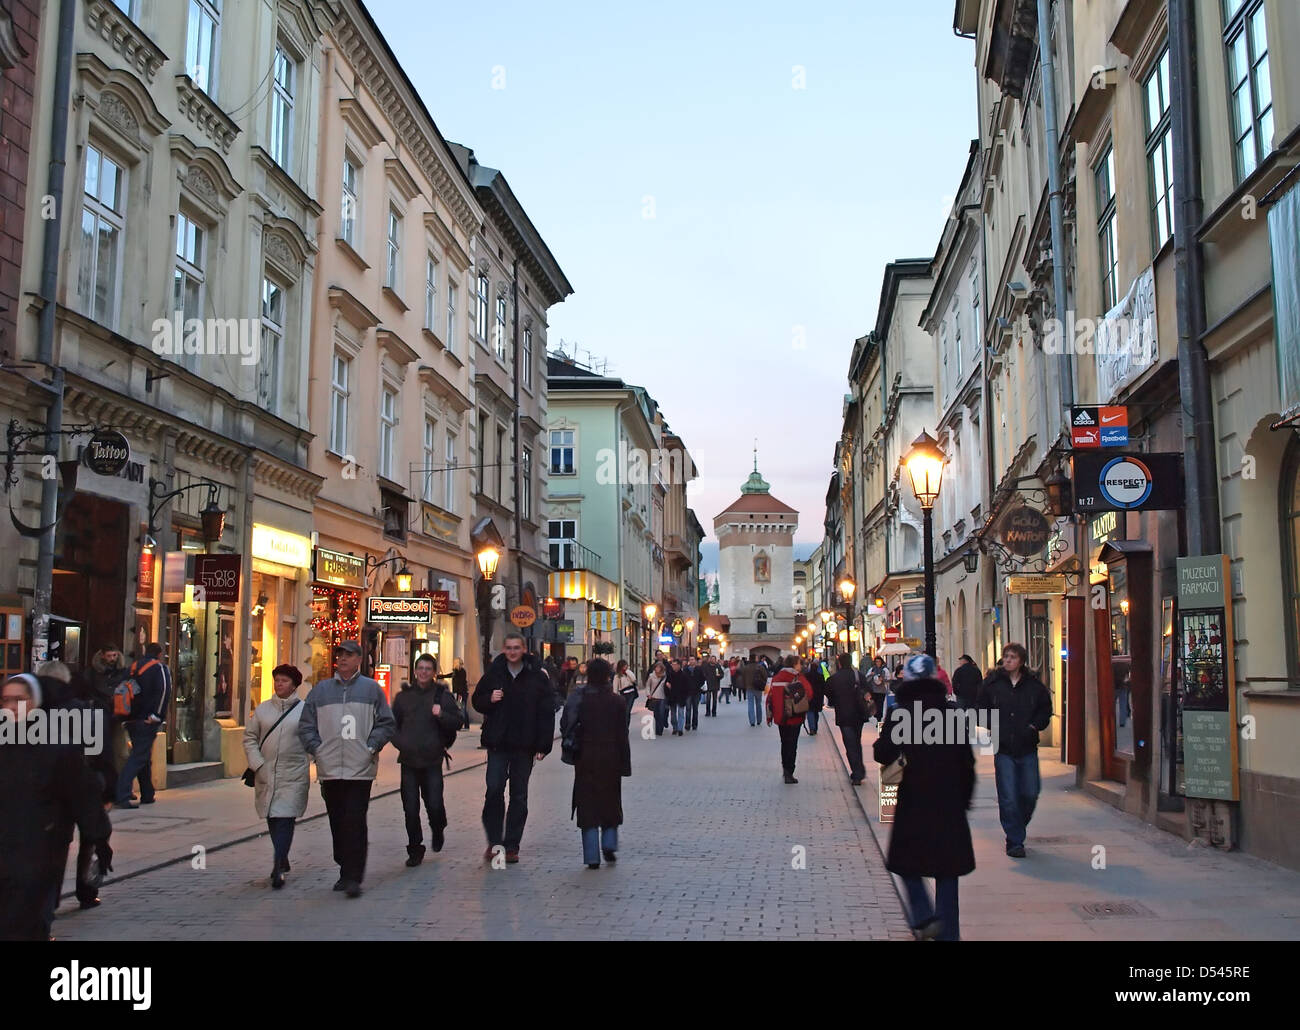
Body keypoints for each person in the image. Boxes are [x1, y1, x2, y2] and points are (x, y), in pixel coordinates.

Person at [0, 673, 112, 941]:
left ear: (35, 702)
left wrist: (99, 838)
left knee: (25, 925)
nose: (12, 706)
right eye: (5, 700)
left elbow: (83, 797)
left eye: (20, 699)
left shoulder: (56, 748)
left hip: (37, 854)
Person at [873, 653, 975, 941]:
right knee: (947, 870)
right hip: (948, 801)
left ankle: (923, 915)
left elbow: (882, 753)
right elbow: (965, 762)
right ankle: (948, 934)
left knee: (905, 863)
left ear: (909, 678)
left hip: (914, 801)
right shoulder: (952, 713)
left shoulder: (900, 712)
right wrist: (964, 799)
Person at [297, 640, 395, 897]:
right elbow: (306, 724)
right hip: (330, 769)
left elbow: (386, 723)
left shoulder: (371, 690)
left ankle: (354, 877)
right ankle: (344, 865)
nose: (342, 659)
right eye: (340, 654)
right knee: (337, 822)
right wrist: (317, 749)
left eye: (349, 655)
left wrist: (371, 747)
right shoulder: (321, 691)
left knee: (355, 820)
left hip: (359, 768)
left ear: (358, 660)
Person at [472, 631, 557, 864]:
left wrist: (543, 745)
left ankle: (511, 845)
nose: (512, 652)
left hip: (524, 745)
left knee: (519, 795)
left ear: (524, 650)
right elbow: (477, 701)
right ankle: (494, 841)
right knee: (494, 790)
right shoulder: (494, 673)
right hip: (498, 743)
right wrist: (490, 698)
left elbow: (546, 712)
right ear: (503, 650)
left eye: (516, 648)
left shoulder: (537, 677)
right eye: (508, 648)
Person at [976, 642, 1052, 859]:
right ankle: (1015, 840)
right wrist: (993, 723)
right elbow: (980, 707)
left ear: (1021, 661)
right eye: (1006, 656)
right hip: (1003, 746)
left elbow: (1045, 710)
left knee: (1030, 792)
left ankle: (1017, 825)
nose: (1008, 660)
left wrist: (1033, 726)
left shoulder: (1033, 685)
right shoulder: (992, 683)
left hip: (1027, 745)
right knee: (1008, 796)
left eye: (1013, 657)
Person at [560, 658, 632, 868]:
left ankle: (592, 856)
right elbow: (622, 735)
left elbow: (566, 725)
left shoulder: (579, 699)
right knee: (610, 801)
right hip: (611, 757)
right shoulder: (617, 702)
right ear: (608, 676)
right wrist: (625, 764)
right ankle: (609, 844)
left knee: (587, 804)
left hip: (586, 756)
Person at [243, 664, 309, 889]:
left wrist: (306, 759)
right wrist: (257, 763)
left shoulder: (304, 710)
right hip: (266, 771)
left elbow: (312, 738)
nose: (279, 684)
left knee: (285, 816)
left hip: (293, 772)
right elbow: (250, 737)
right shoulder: (263, 710)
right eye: (277, 680)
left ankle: (277, 865)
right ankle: (283, 855)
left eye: (284, 681)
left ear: (294, 685)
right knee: (272, 815)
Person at [393, 654, 462, 867]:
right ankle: (415, 847)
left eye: (428, 669)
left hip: (432, 760)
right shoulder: (403, 697)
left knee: (434, 803)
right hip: (408, 760)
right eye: (420, 668)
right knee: (410, 807)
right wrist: (400, 742)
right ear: (415, 671)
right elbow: (391, 724)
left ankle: (438, 827)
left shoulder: (442, 695)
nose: (423, 672)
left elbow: (458, 722)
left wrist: (442, 714)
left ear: (434, 672)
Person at [114, 642, 171, 809]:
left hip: (131, 719)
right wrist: (157, 716)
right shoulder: (159, 668)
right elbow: (164, 691)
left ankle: (147, 793)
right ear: (160, 654)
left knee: (142, 755)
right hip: (147, 720)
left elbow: (121, 689)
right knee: (138, 756)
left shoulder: (133, 667)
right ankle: (122, 794)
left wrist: (123, 715)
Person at [824, 653, 870, 785]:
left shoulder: (835, 678)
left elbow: (828, 692)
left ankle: (857, 773)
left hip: (844, 715)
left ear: (839, 663)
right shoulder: (858, 675)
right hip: (859, 715)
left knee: (850, 744)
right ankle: (859, 769)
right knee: (857, 741)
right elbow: (868, 689)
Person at [766, 656, 811, 784]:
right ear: (794, 665)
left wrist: (769, 716)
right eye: (798, 664)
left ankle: (785, 769)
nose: (800, 666)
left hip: (780, 717)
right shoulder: (798, 677)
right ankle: (789, 772)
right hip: (795, 716)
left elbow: (770, 697)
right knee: (792, 744)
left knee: (784, 743)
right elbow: (809, 693)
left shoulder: (777, 678)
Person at [440, 657, 471, 730]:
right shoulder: (455, 671)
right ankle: (462, 725)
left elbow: (462, 683)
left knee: (462, 708)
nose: (453, 664)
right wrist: (440, 676)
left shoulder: (462, 671)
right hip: (458, 692)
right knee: (459, 708)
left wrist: (460, 694)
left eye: (454, 662)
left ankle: (466, 725)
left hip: (462, 693)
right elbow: (450, 675)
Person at [667, 659, 692, 736]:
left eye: (674, 665)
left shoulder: (684, 675)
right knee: (673, 715)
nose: (673, 666)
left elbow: (687, 687)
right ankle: (675, 727)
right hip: (672, 697)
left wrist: (685, 696)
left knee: (681, 713)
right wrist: (668, 687)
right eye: (672, 665)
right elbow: (666, 684)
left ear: (679, 665)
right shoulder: (670, 674)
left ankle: (680, 729)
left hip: (681, 697)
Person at [644, 660, 669, 736]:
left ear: (662, 668)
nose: (657, 669)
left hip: (662, 697)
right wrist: (648, 694)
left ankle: (659, 730)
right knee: (656, 714)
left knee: (661, 713)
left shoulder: (665, 676)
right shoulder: (651, 676)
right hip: (654, 697)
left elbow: (667, 686)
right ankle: (657, 727)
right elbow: (648, 685)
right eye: (656, 667)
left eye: (659, 667)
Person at [742, 657, 768, 727]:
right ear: (756, 659)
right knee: (758, 704)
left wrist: (745, 685)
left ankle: (752, 721)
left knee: (750, 704)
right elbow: (765, 676)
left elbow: (743, 677)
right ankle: (759, 720)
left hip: (749, 687)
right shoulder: (760, 667)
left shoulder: (746, 667)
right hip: (758, 687)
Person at [864, 657, 889, 727]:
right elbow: (867, 679)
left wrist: (883, 679)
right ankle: (875, 716)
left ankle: (879, 720)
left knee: (880, 705)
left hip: (881, 691)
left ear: (881, 662)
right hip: (873, 690)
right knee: (874, 704)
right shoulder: (872, 669)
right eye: (876, 661)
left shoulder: (885, 670)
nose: (878, 663)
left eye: (879, 661)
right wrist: (871, 675)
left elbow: (888, 679)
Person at [613, 659, 638, 726]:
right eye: (624, 666)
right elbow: (615, 687)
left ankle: (626, 727)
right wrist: (615, 697)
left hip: (631, 694)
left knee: (628, 710)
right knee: (624, 711)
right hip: (623, 694)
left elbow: (634, 679)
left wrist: (627, 671)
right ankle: (624, 726)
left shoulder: (629, 673)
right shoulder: (617, 676)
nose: (626, 667)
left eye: (626, 665)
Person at [805, 657, 826, 735]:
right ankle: (815, 727)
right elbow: (824, 687)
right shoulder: (820, 676)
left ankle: (812, 728)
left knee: (810, 712)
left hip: (809, 697)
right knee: (816, 712)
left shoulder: (806, 675)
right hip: (818, 697)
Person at [685, 657, 704, 731]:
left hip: (696, 692)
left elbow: (703, 679)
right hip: (688, 692)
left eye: (693, 659)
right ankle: (687, 724)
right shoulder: (686, 669)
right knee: (688, 709)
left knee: (695, 709)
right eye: (690, 659)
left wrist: (698, 686)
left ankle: (694, 724)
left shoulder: (699, 669)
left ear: (695, 661)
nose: (691, 661)